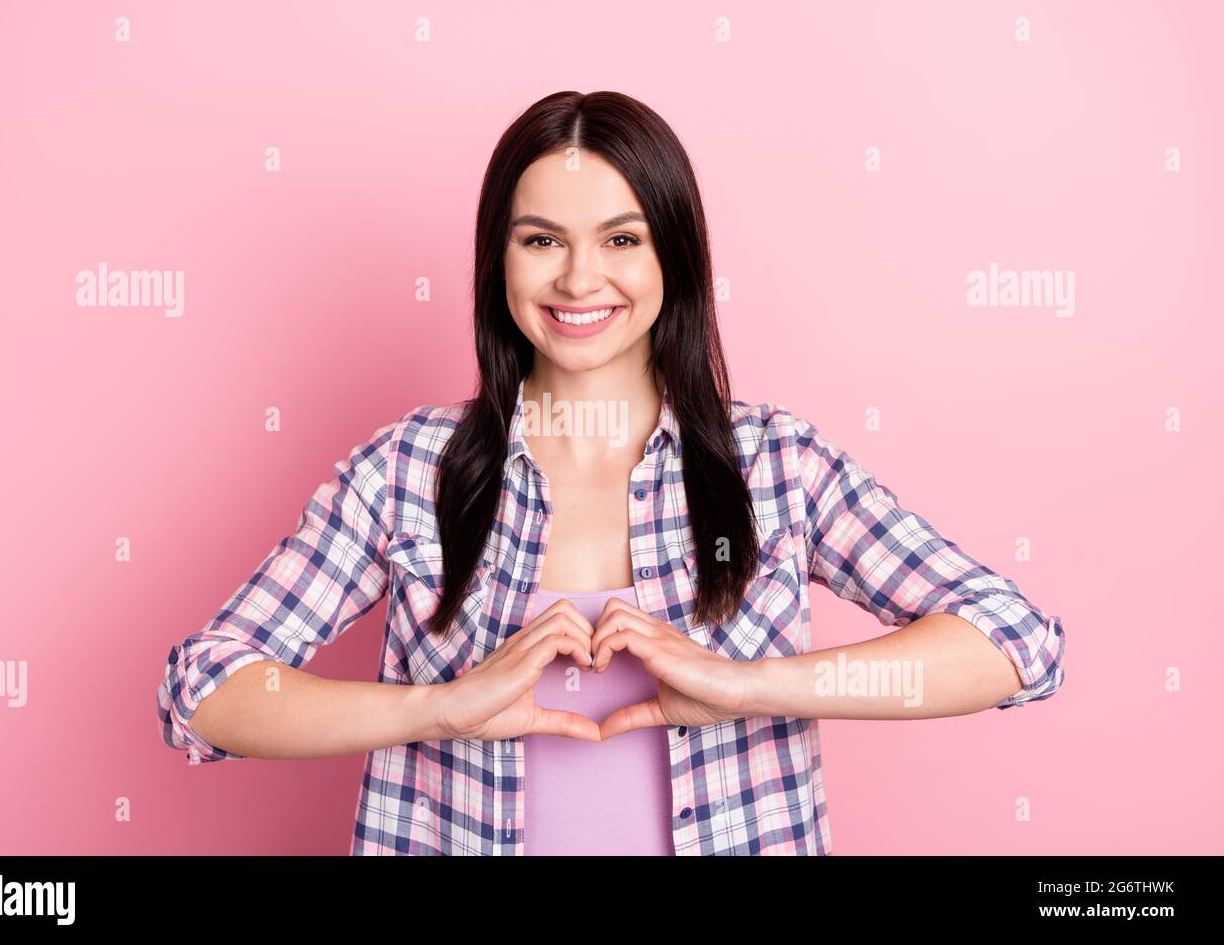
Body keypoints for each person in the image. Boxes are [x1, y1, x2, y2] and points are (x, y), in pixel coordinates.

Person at [156, 90, 1066, 856]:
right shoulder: (407, 471)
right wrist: (438, 708)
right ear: (498, 261)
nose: (581, 278)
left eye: (622, 239)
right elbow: (204, 691)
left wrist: (749, 686)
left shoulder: (778, 467)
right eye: (542, 240)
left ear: (674, 253)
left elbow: (1013, 642)